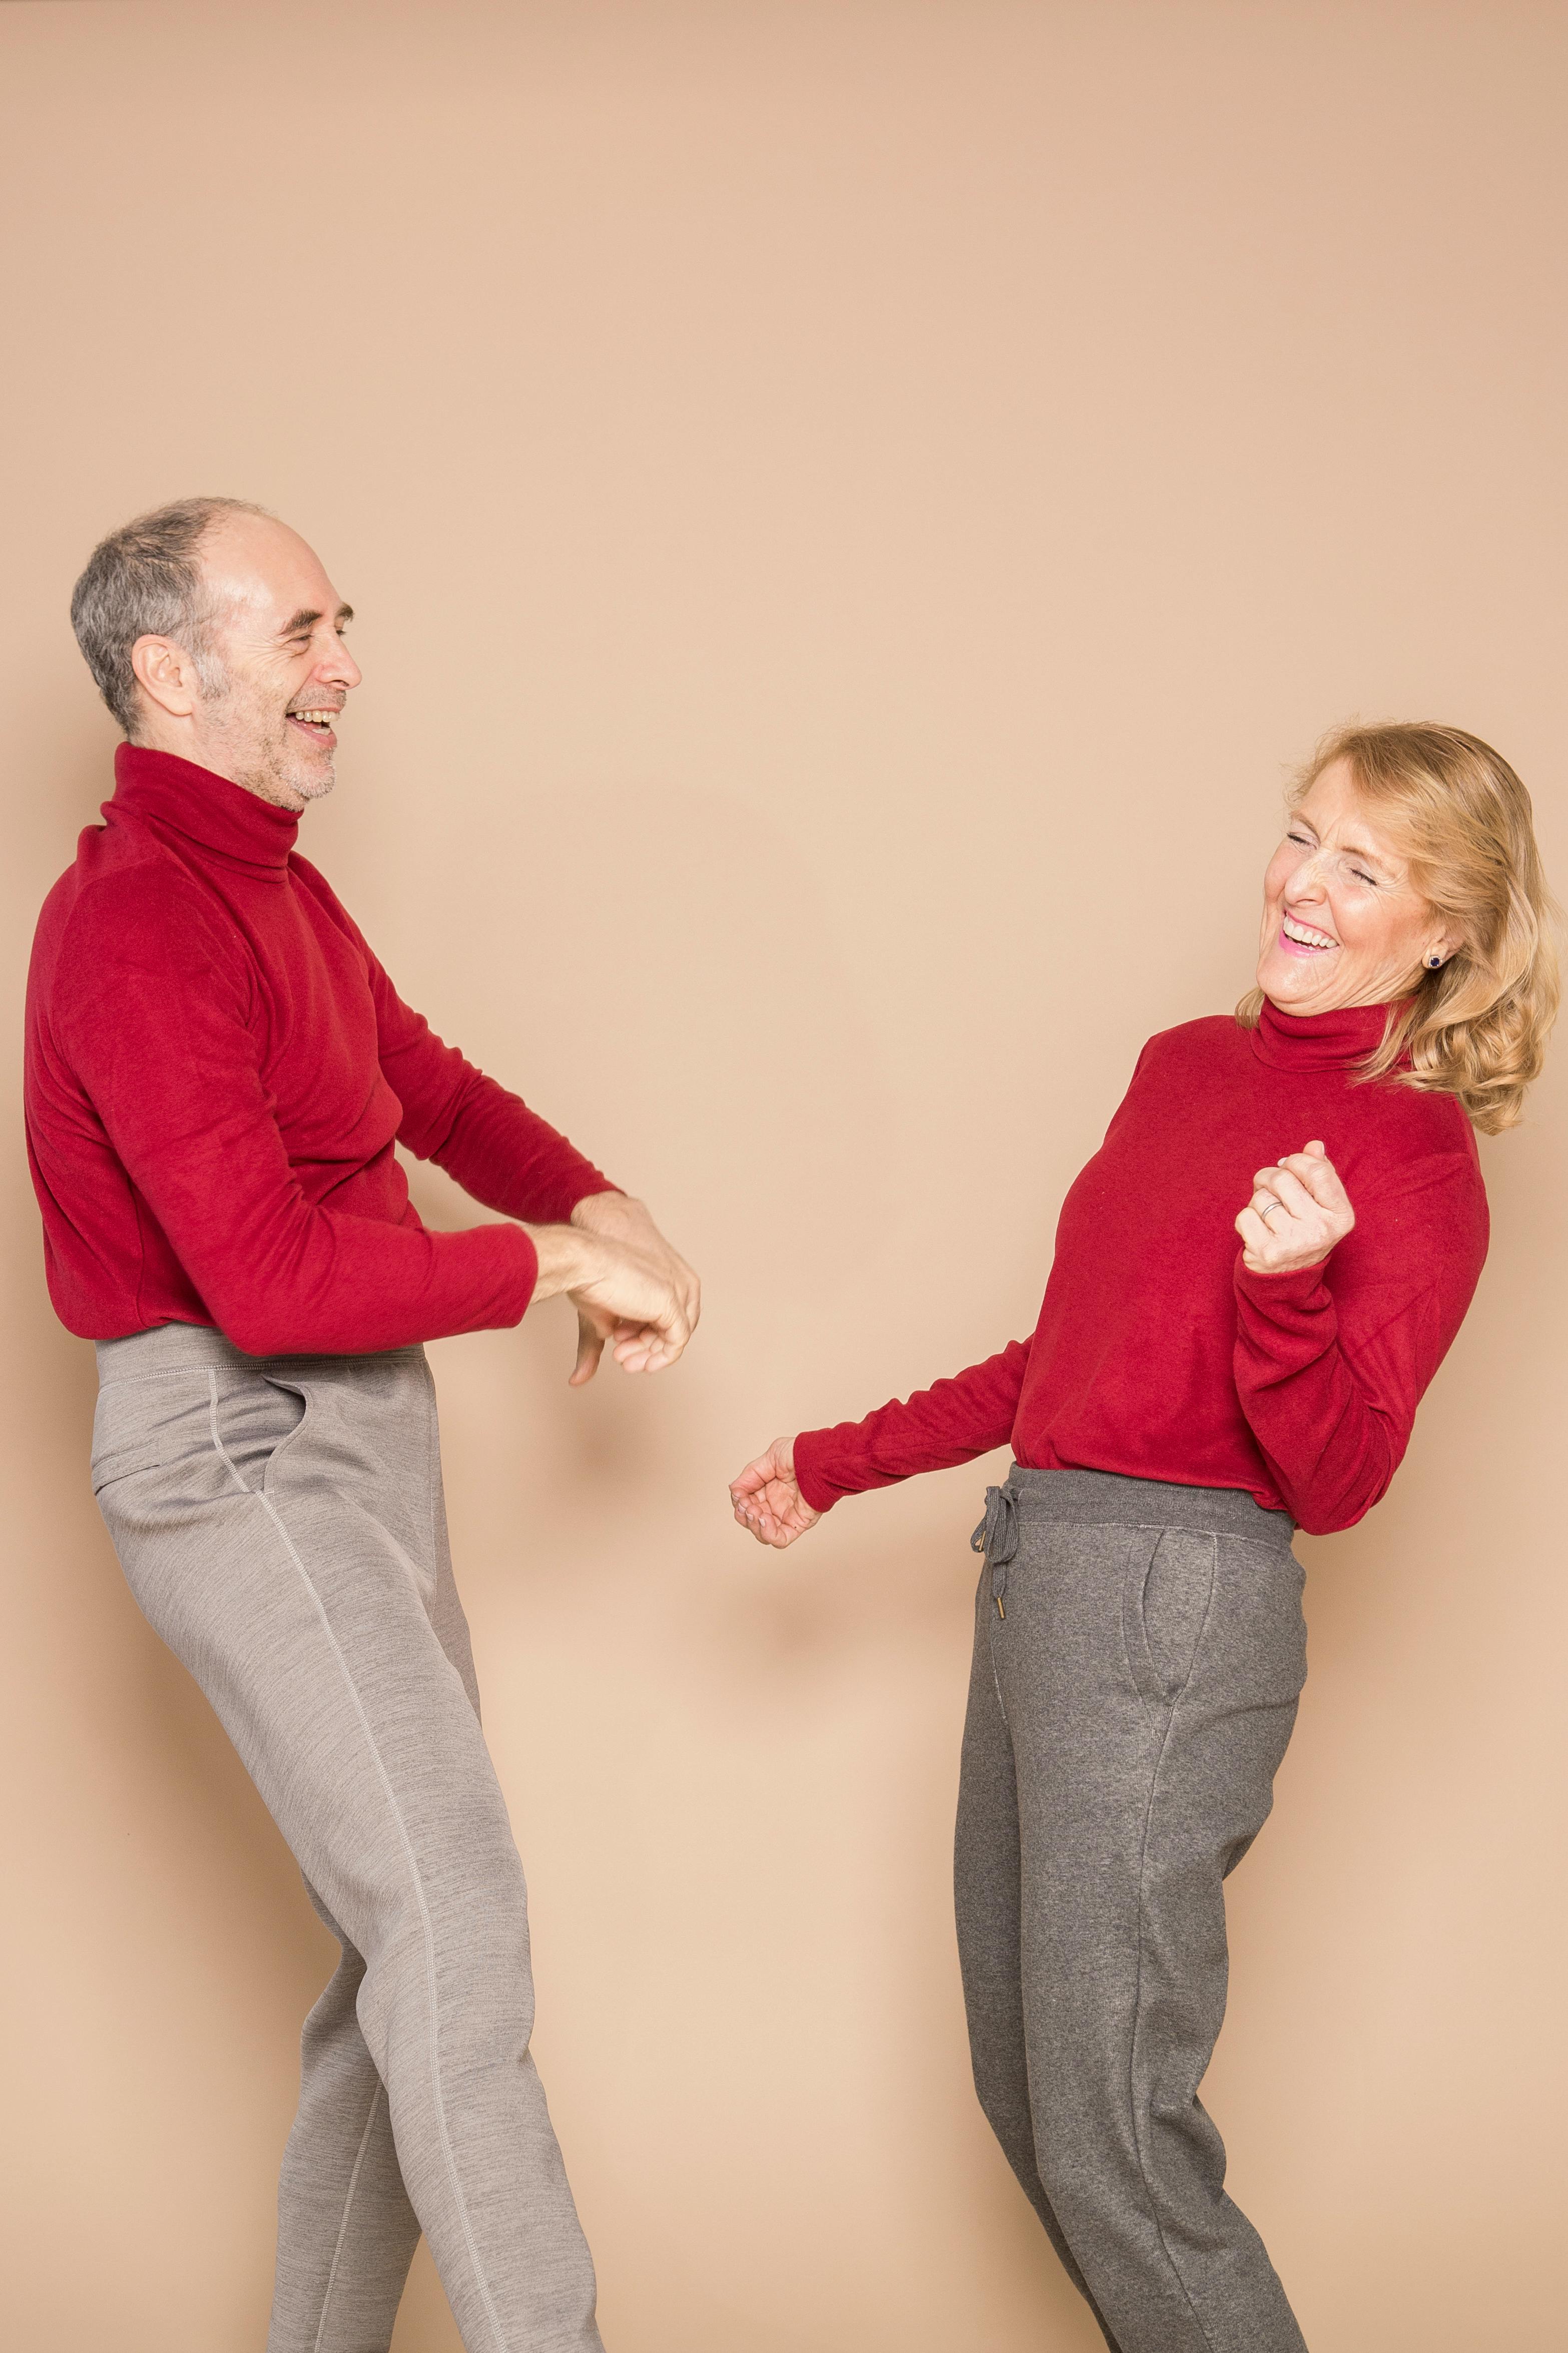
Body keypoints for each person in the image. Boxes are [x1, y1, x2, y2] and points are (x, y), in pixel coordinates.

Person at [730, 723, 1556, 2353]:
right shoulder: (1185, 1063)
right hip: (1042, 1565)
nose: (1303, 884)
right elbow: (1073, 1355)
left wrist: (1291, 1290)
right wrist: (843, 1459)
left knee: (1112, 2118)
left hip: (1180, 1607)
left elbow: (1339, 1478)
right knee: (1034, 2085)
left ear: (1446, 932)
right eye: (1303, 834)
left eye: (1363, 868)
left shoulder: (1414, 1159)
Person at [26, 497, 700, 2353]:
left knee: (396, 1952)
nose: (343, 667)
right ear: (170, 672)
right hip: (233, 1447)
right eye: (301, 631)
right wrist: (553, 1263)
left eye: (344, 624)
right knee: (455, 1918)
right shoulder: (136, 923)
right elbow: (268, 1282)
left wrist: (604, 1202)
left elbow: (428, 1088)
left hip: (362, 1443)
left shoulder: (278, 888)